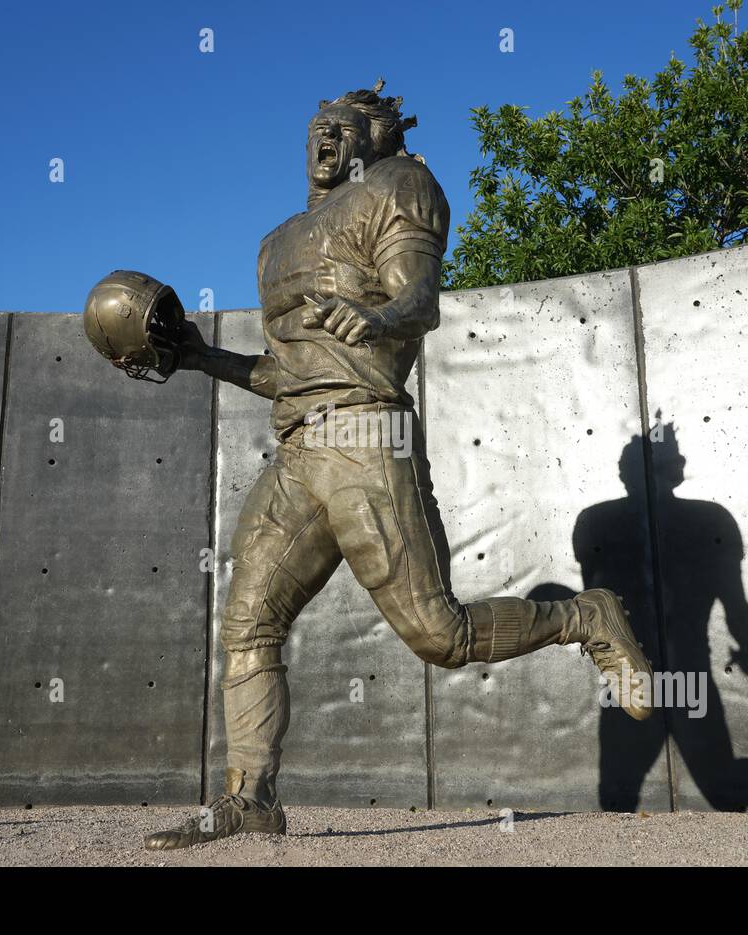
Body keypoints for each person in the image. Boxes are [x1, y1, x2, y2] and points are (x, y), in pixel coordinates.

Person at [144, 82, 653, 850]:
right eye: (314, 127)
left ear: (374, 138)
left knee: (438, 635)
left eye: (339, 128)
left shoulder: (400, 186)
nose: (322, 139)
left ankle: (587, 616)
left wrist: (377, 317)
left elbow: (421, 298)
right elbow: (288, 374)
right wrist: (199, 358)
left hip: (367, 434)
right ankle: (251, 798)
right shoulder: (275, 241)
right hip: (298, 445)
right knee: (248, 623)